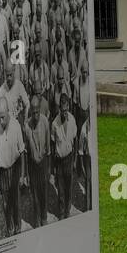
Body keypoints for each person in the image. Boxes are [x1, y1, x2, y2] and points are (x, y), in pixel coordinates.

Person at [0, 96, 25, 236]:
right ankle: (11, 228)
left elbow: (22, 152)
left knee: (16, 202)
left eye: (3, 117)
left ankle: (18, 228)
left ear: (8, 112)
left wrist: (22, 175)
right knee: (6, 203)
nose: (1, 121)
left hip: (15, 168)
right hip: (2, 172)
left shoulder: (16, 126)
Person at [24, 94, 51, 227]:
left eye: (37, 112)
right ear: (31, 111)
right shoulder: (27, 127)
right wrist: (27, 174)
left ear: (40, 110)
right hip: (33, 167)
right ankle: (37, 219)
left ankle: (44, 217)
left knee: (43, 193)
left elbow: (48, 148)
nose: (35, 116)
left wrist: (49, 168)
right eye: (33, 113)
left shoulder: (45, 121)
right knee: (34, 195)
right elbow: (26, 152)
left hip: (43, 164)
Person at [51, 87, 77, 220]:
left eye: (67, 109)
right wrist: (53, 167)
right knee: (60, 189)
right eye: (63, 109)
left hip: (69, 158)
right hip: (59, 161)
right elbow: (52, 143)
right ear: (59, 108)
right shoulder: (54, 124)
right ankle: (61, 214)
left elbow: (75, 140)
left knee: (68, 187)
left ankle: (67, 210)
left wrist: (75, 160)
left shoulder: (72, 120)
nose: (65, 112)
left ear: (68, 107)